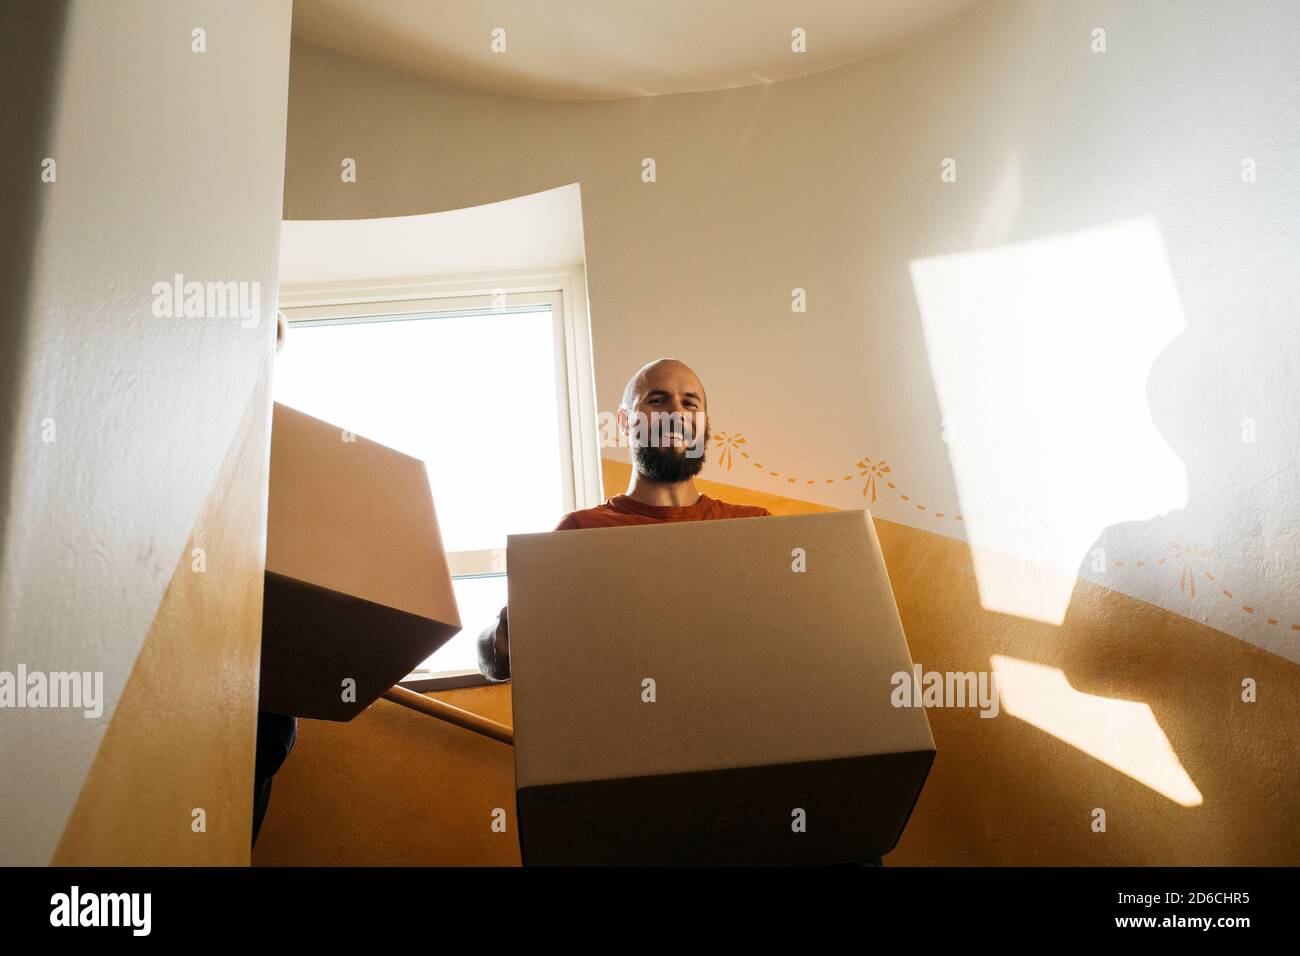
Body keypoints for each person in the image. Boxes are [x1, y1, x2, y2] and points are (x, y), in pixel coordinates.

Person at [476, 357, 883, 867]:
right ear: (625, 422)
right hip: (637, 786)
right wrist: (505, 638)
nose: (676, 411)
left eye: (690, 402)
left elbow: (802, 653)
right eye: (657, 399)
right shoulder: (580, 533)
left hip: (753, 767)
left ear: (704, 426)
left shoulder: (753, 528)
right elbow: (495, 661)